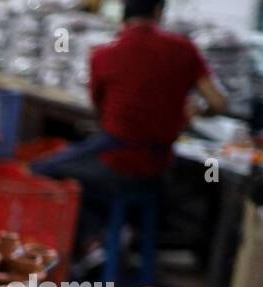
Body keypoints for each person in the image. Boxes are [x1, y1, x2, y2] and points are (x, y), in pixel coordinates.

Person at [32, 0, 227, 267]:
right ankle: (112, 233)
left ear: (123, 15)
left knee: (43, 169)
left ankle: (92, 238)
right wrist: (192, 113)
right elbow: (218, 103)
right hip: (160, 166)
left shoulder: (104, 55)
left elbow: (101, 117)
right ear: (158, 12)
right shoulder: (184, 49)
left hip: (119, 163)